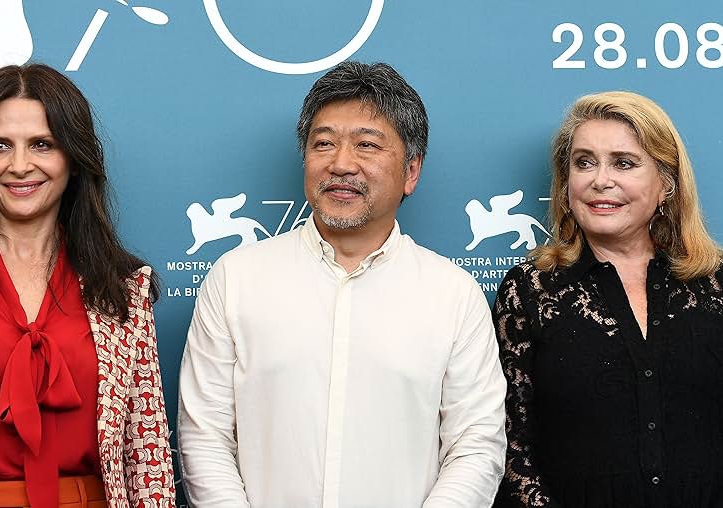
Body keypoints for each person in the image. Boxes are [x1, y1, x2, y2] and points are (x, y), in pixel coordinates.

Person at [178, 61, 506, 508]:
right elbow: (204, 437)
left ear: (411, 172)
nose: (341, 164)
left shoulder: (453, 294)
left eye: (367, 145)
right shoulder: (235, 279)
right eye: (324, 144)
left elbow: (476, 446)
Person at [0, 64, 175, 508]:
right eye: (0, 146)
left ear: (73, 156)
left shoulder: (124, 288)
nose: (19, 165)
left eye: (42, 145)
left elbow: (147, 459)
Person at [493, 91, 723, 508]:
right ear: (566, 185)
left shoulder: (716, 284)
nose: (600, 179)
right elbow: (509, 447)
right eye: (584, 162)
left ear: (666, 184)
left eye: (624, 162)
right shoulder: (529, 291)